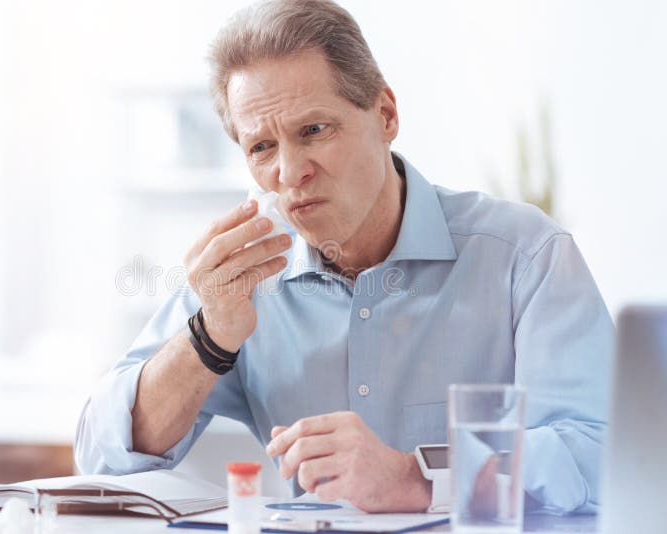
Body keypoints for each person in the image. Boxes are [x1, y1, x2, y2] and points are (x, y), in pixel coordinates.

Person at [75, 0, 612, 514]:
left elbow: (604, 454)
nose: (289, 172)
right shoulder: (244, 276)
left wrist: (416, 477)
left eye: (313, 130)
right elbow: (103, 459)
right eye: (261, 147)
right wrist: (209, 339)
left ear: (385, 113)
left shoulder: (525, 256)